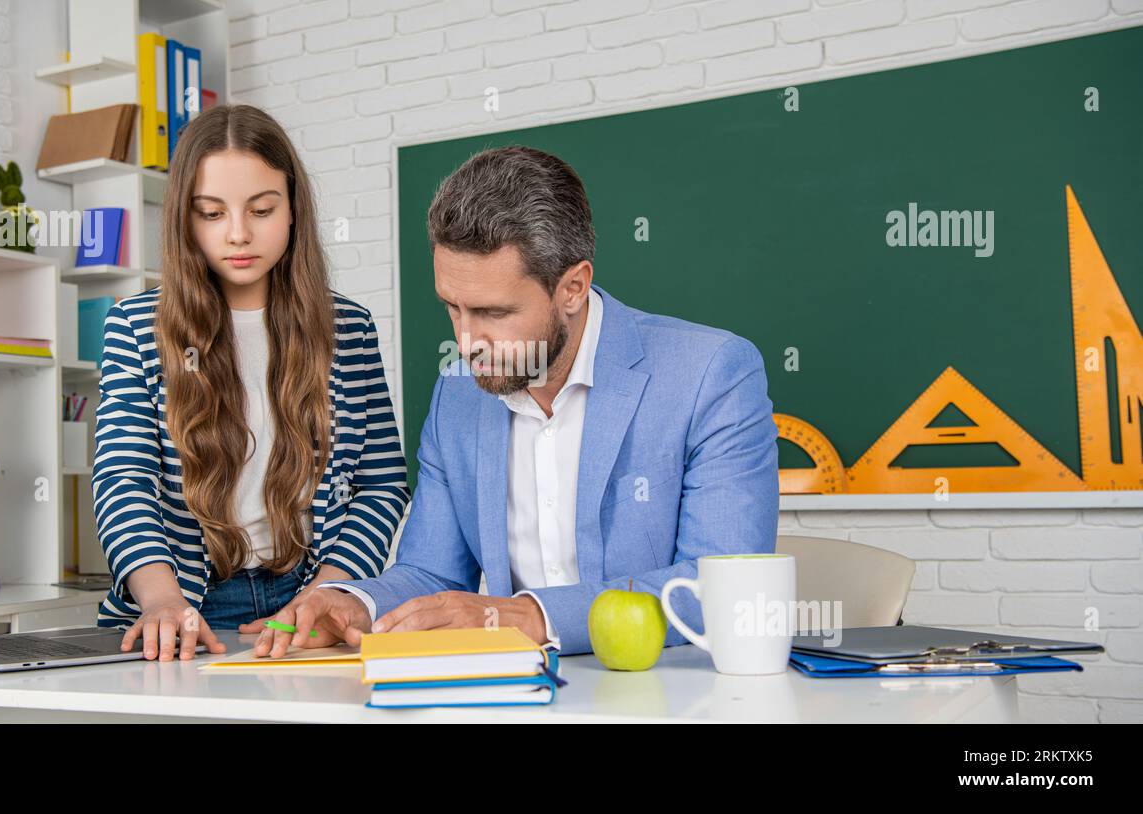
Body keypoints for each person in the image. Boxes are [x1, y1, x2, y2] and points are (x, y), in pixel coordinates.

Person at [259, 145, 779, 658]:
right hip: (517, 697)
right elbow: (432, 571)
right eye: (452, 309)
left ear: (572, 288)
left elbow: (722, 584)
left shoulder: (711, 374)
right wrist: (358, 603)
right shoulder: (457, 393)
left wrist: (529, 617)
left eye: (493, 312)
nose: (467, 343)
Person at [90, 104, 409, 661]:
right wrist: (161, 598)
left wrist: (327, 594)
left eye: (261, 209)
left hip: (305, 600)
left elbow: (381, 485)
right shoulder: (138, 326)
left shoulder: (349, 330)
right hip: (184, 605)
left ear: (292, 210)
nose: (238, 234)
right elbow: (124, 477)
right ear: (184, 220)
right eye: (211, 213)